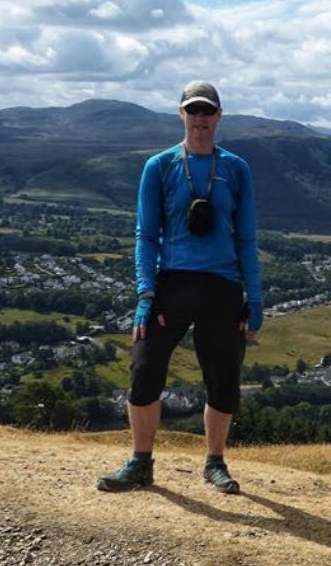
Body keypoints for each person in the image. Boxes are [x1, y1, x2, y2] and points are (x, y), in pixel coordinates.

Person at [98, 80, 264, 494]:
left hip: (223, 286)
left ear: (219, 116)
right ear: (181, 114)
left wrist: (255, 297)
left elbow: (246, 237)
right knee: (144, 368)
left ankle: (215, 463)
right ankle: (140, 463)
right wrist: (144, 293)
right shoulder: (159, 166)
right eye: (193, 110)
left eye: (208, 111)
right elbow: (145, 235)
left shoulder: (235, 168)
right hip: (171, 283)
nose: (201, 118)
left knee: (223, 378)